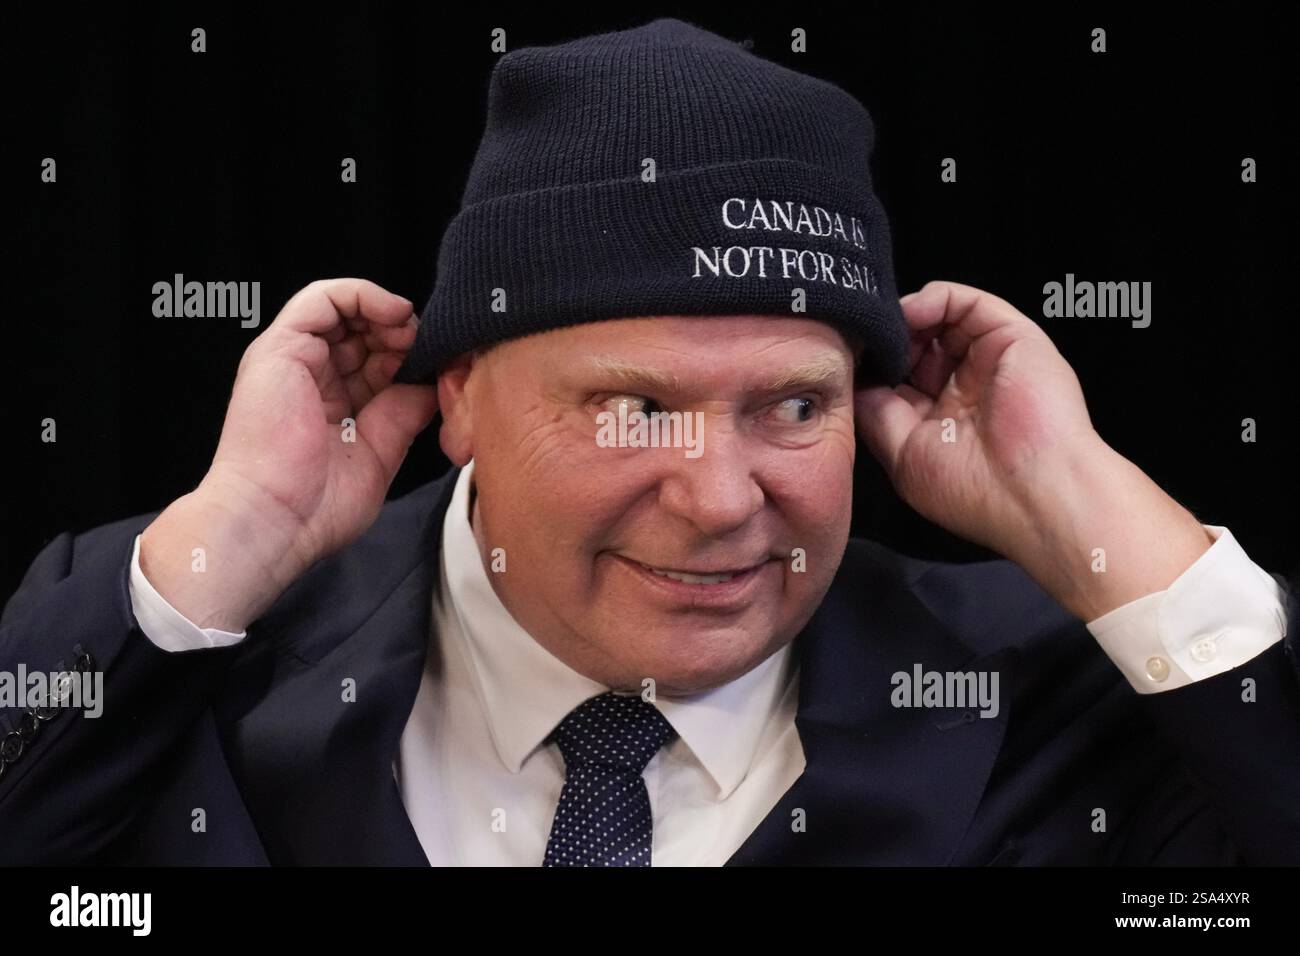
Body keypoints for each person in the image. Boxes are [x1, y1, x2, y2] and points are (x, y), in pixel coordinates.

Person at [2, 18, 1296, 866]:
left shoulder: (1057, 710)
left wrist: (1087, 500)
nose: (724, 500)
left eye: (793, 405)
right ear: (457, 395)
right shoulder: (189, 658)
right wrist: (237, 540)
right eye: (636, 406)